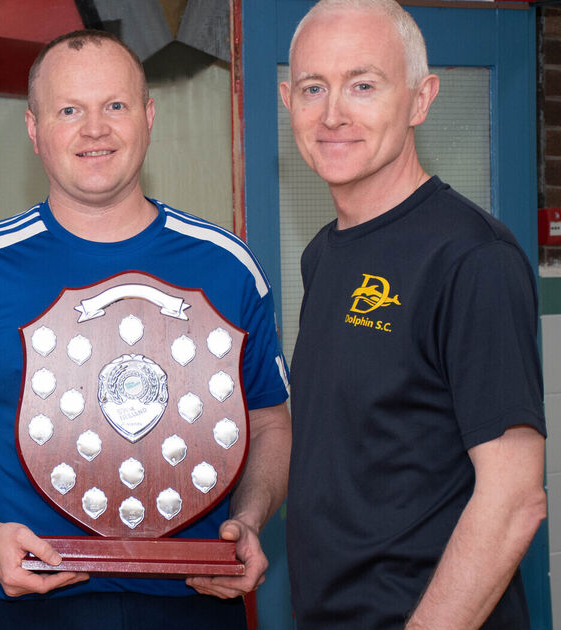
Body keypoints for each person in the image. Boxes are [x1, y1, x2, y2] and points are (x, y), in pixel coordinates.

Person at [0, 29, 292, 628]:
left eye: (115, 105)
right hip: (35, 602)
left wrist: (249, 519)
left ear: (148, 116)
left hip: (198, 599)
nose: (95, 129)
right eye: (69, 110)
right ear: (34, 129)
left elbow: (270, 423)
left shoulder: (229, 267)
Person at [280, 2, 547, 628]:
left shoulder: (472, 258)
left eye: (363, 85)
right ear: (287, 101)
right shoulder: (323, 255)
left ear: (420, 100)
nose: (333, 113)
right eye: (313, 88)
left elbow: (514, 499)